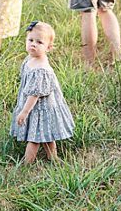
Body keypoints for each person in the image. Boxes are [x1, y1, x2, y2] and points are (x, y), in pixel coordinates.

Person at [10, 21, 74, 163]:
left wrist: (25, 111)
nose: (33, 44)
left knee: (34, 138)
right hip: (34, 107)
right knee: (46, 134)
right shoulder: (30, 59)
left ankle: (26, 163)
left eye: (39, 42)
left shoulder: (41, 69)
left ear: (48, 47)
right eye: (30, 40)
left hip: (40, 107)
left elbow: (35, 94)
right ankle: (53, 157)